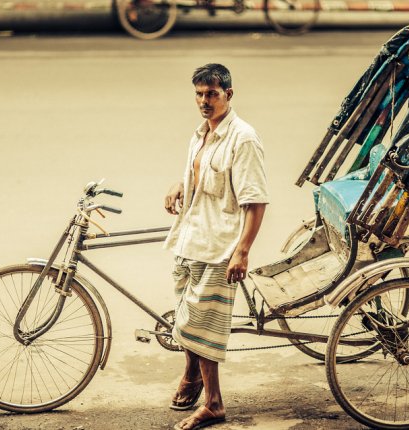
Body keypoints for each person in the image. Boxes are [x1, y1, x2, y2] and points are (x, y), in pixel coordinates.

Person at [163, 63, 269, 430]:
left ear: (228, 94)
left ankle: (214, 405)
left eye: (212, 94)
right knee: (187, 316)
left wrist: (242, 251)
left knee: (202, 325)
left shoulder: (243, 139)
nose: (204, 101)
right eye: (199, 94)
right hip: (191, 236)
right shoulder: (201, 133)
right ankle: (192, 375)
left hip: (220, 245)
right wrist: (180, 185)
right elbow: (197, 169)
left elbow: (256, 202)